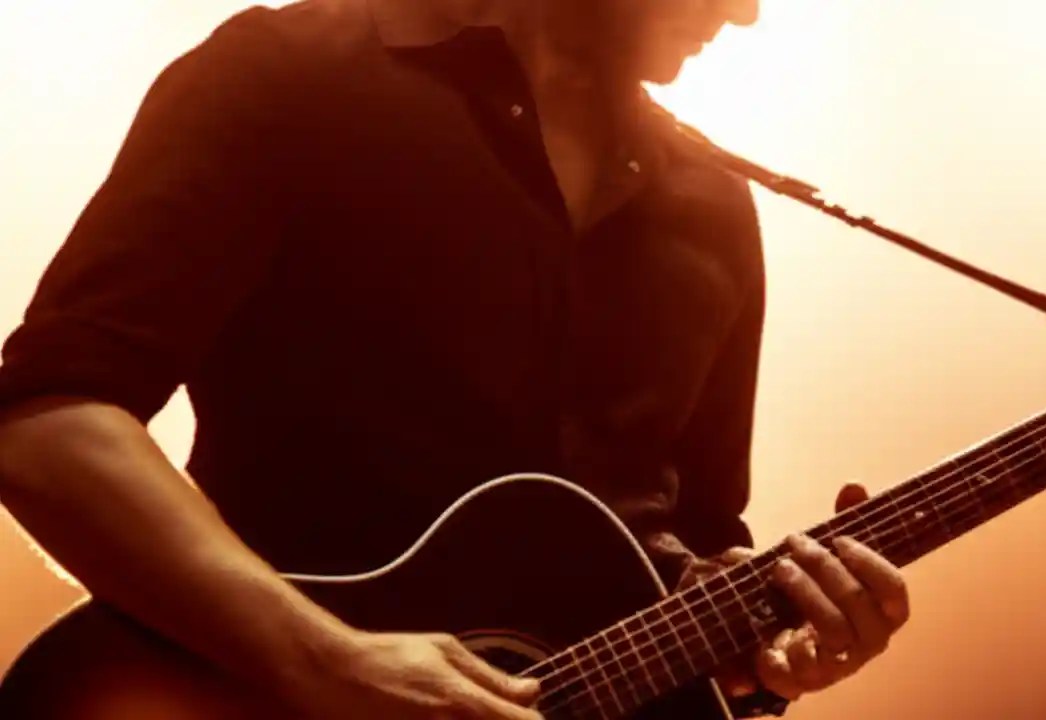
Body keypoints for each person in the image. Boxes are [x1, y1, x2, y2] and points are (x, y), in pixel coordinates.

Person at [0, 0, 910, 717]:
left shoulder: (716, 209)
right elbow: (46, 423)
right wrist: (328, 663)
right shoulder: (290, 74)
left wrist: (760, 663)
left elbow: (690, 553)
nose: (745, 12)